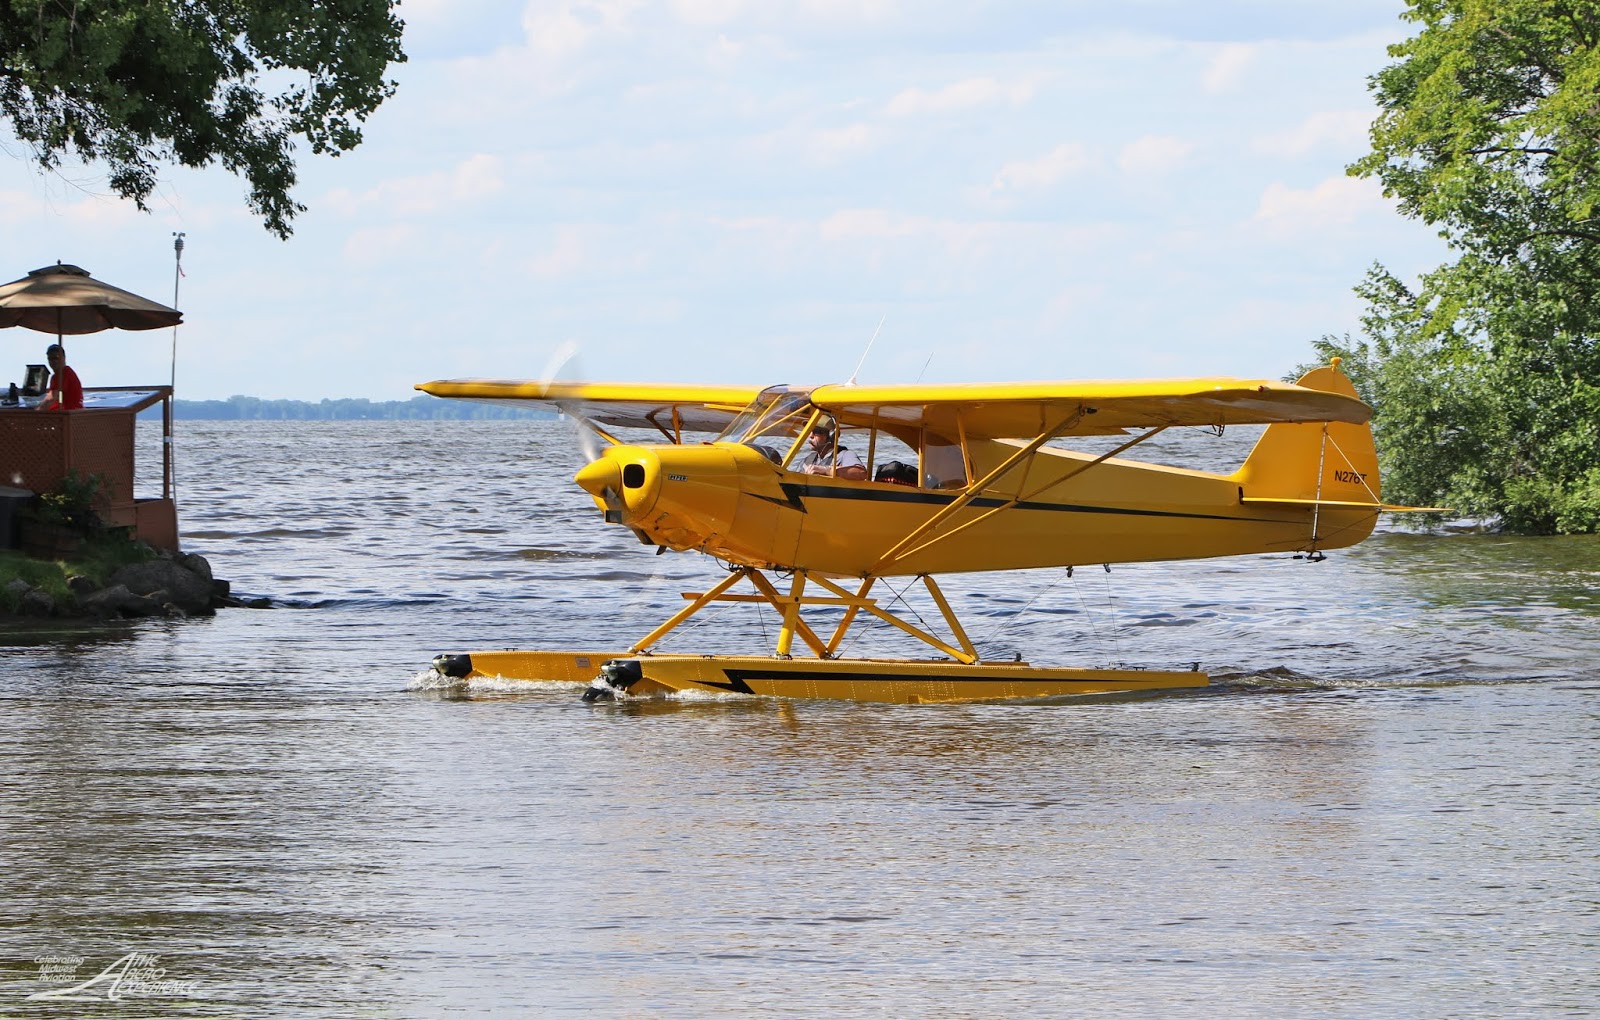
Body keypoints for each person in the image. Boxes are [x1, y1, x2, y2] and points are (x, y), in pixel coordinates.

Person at [800, 423, 866, 480]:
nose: (810, 435)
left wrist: (826, 470)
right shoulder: (808, 459)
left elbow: (861, 473)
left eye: (816, 431)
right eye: (810, 430)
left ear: (831, 436)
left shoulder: (845, 455)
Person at [37, 344, 83, 411]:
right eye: (50, 359)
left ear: (64, 358)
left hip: (70, 415)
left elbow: (51, 398)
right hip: (61, 414)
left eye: (56, 358)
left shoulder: (65, 373)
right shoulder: (55, 377)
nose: (53, 361)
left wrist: (37, 412)